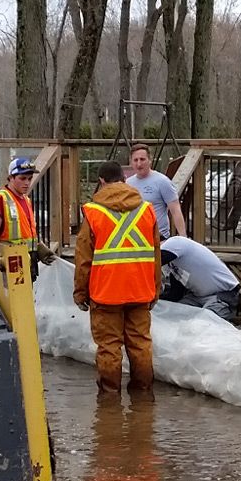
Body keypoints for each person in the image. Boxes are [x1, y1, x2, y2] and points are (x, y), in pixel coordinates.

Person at [72, 160, 162, 394]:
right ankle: (142, 397)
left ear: (101, 180)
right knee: (141, 344)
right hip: (141, 290)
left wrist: (81, 293)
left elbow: (83, 259)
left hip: (106, 293)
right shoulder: (146, 210)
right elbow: (155, 254)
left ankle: (109, 403)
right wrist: (155, 288)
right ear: (123, 178)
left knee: (109, 348)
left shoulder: (93, 212)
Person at [0, 157, 56, 274]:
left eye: (29, 178)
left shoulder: (26, 200)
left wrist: (38, 248)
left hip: (25, 265)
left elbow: (25, 233)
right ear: (11, 178)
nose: (27, 183)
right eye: (22, 178)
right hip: (9, 266)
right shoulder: (0, 199)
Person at [159, 235, 241, 320]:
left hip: (224, 295)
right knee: (173, 316)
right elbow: (176, 294)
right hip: (198, 297)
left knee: (204, 323)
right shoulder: (173, 264)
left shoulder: (175, 242)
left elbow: (155, 260)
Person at [126, 144, 186, 240]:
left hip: (158, 237)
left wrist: (183, 238)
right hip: (135, 237)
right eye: (135, 160)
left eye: (142, 159)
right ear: (131, 162)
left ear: (150, 160)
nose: (139, 164)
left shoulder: (162, 182)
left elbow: (175, 210)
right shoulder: (127, 183)